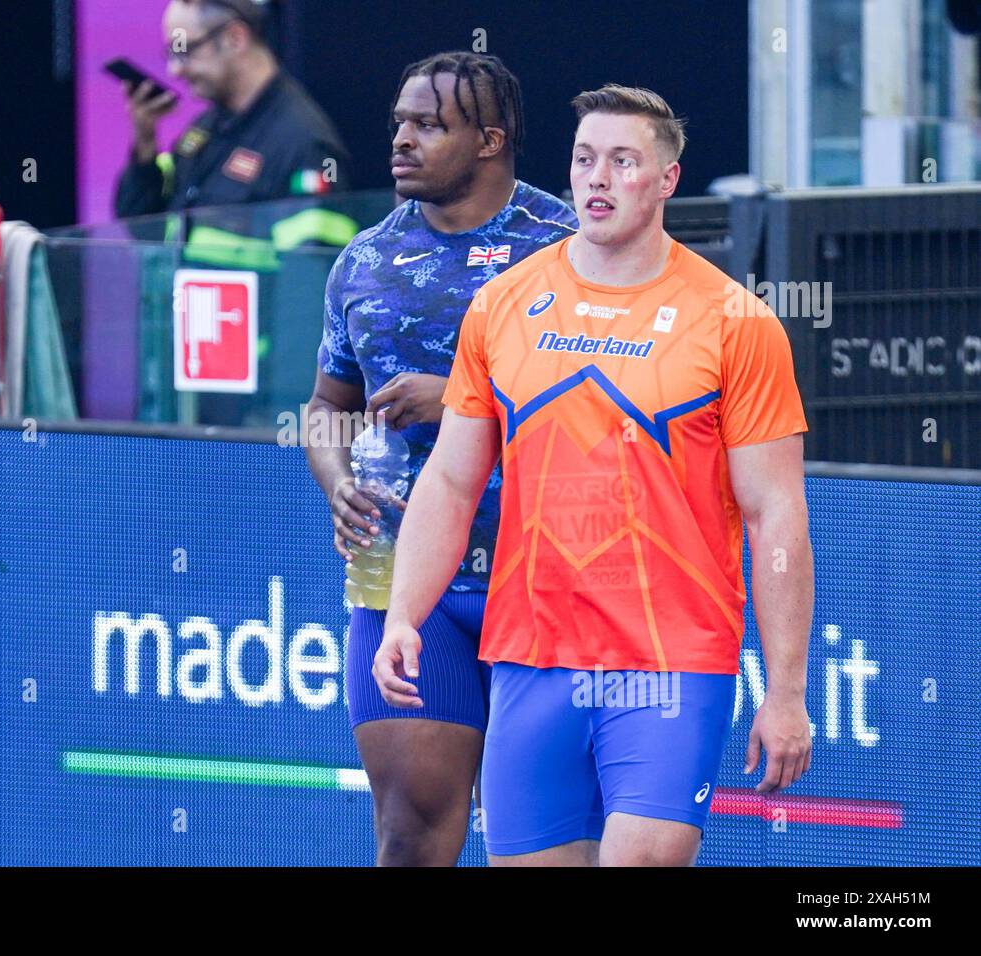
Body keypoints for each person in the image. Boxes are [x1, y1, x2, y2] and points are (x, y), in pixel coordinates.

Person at [373, 84, 814, 867]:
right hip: (532, 660)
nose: (598, 178)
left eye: (622, 161)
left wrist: (786, 693)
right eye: (584, 160)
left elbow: (775, 513)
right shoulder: (504, 304)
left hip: (671, 664)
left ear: (667, 180)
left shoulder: (737, 322)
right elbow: (449, 480)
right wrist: (405, 609)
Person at [305, 52, 576, 866]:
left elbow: (621, 409)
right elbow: (327, 408)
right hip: (403, 580)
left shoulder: (567, 248)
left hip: (548, 575)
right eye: (400, 122)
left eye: (430, 125)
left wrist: (469, 396)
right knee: (411, 834)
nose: (402, 139)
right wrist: (337, 479)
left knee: (551, 840)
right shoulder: (365, 259)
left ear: (492, 139)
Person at [115, 0, 351, 220]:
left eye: (185, 51)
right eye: (171, 54)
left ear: (235, 38)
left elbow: (315, 259)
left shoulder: (305, 144)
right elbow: (140, 221)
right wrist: (144, 143)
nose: (174, 70)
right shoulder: (202, 130)